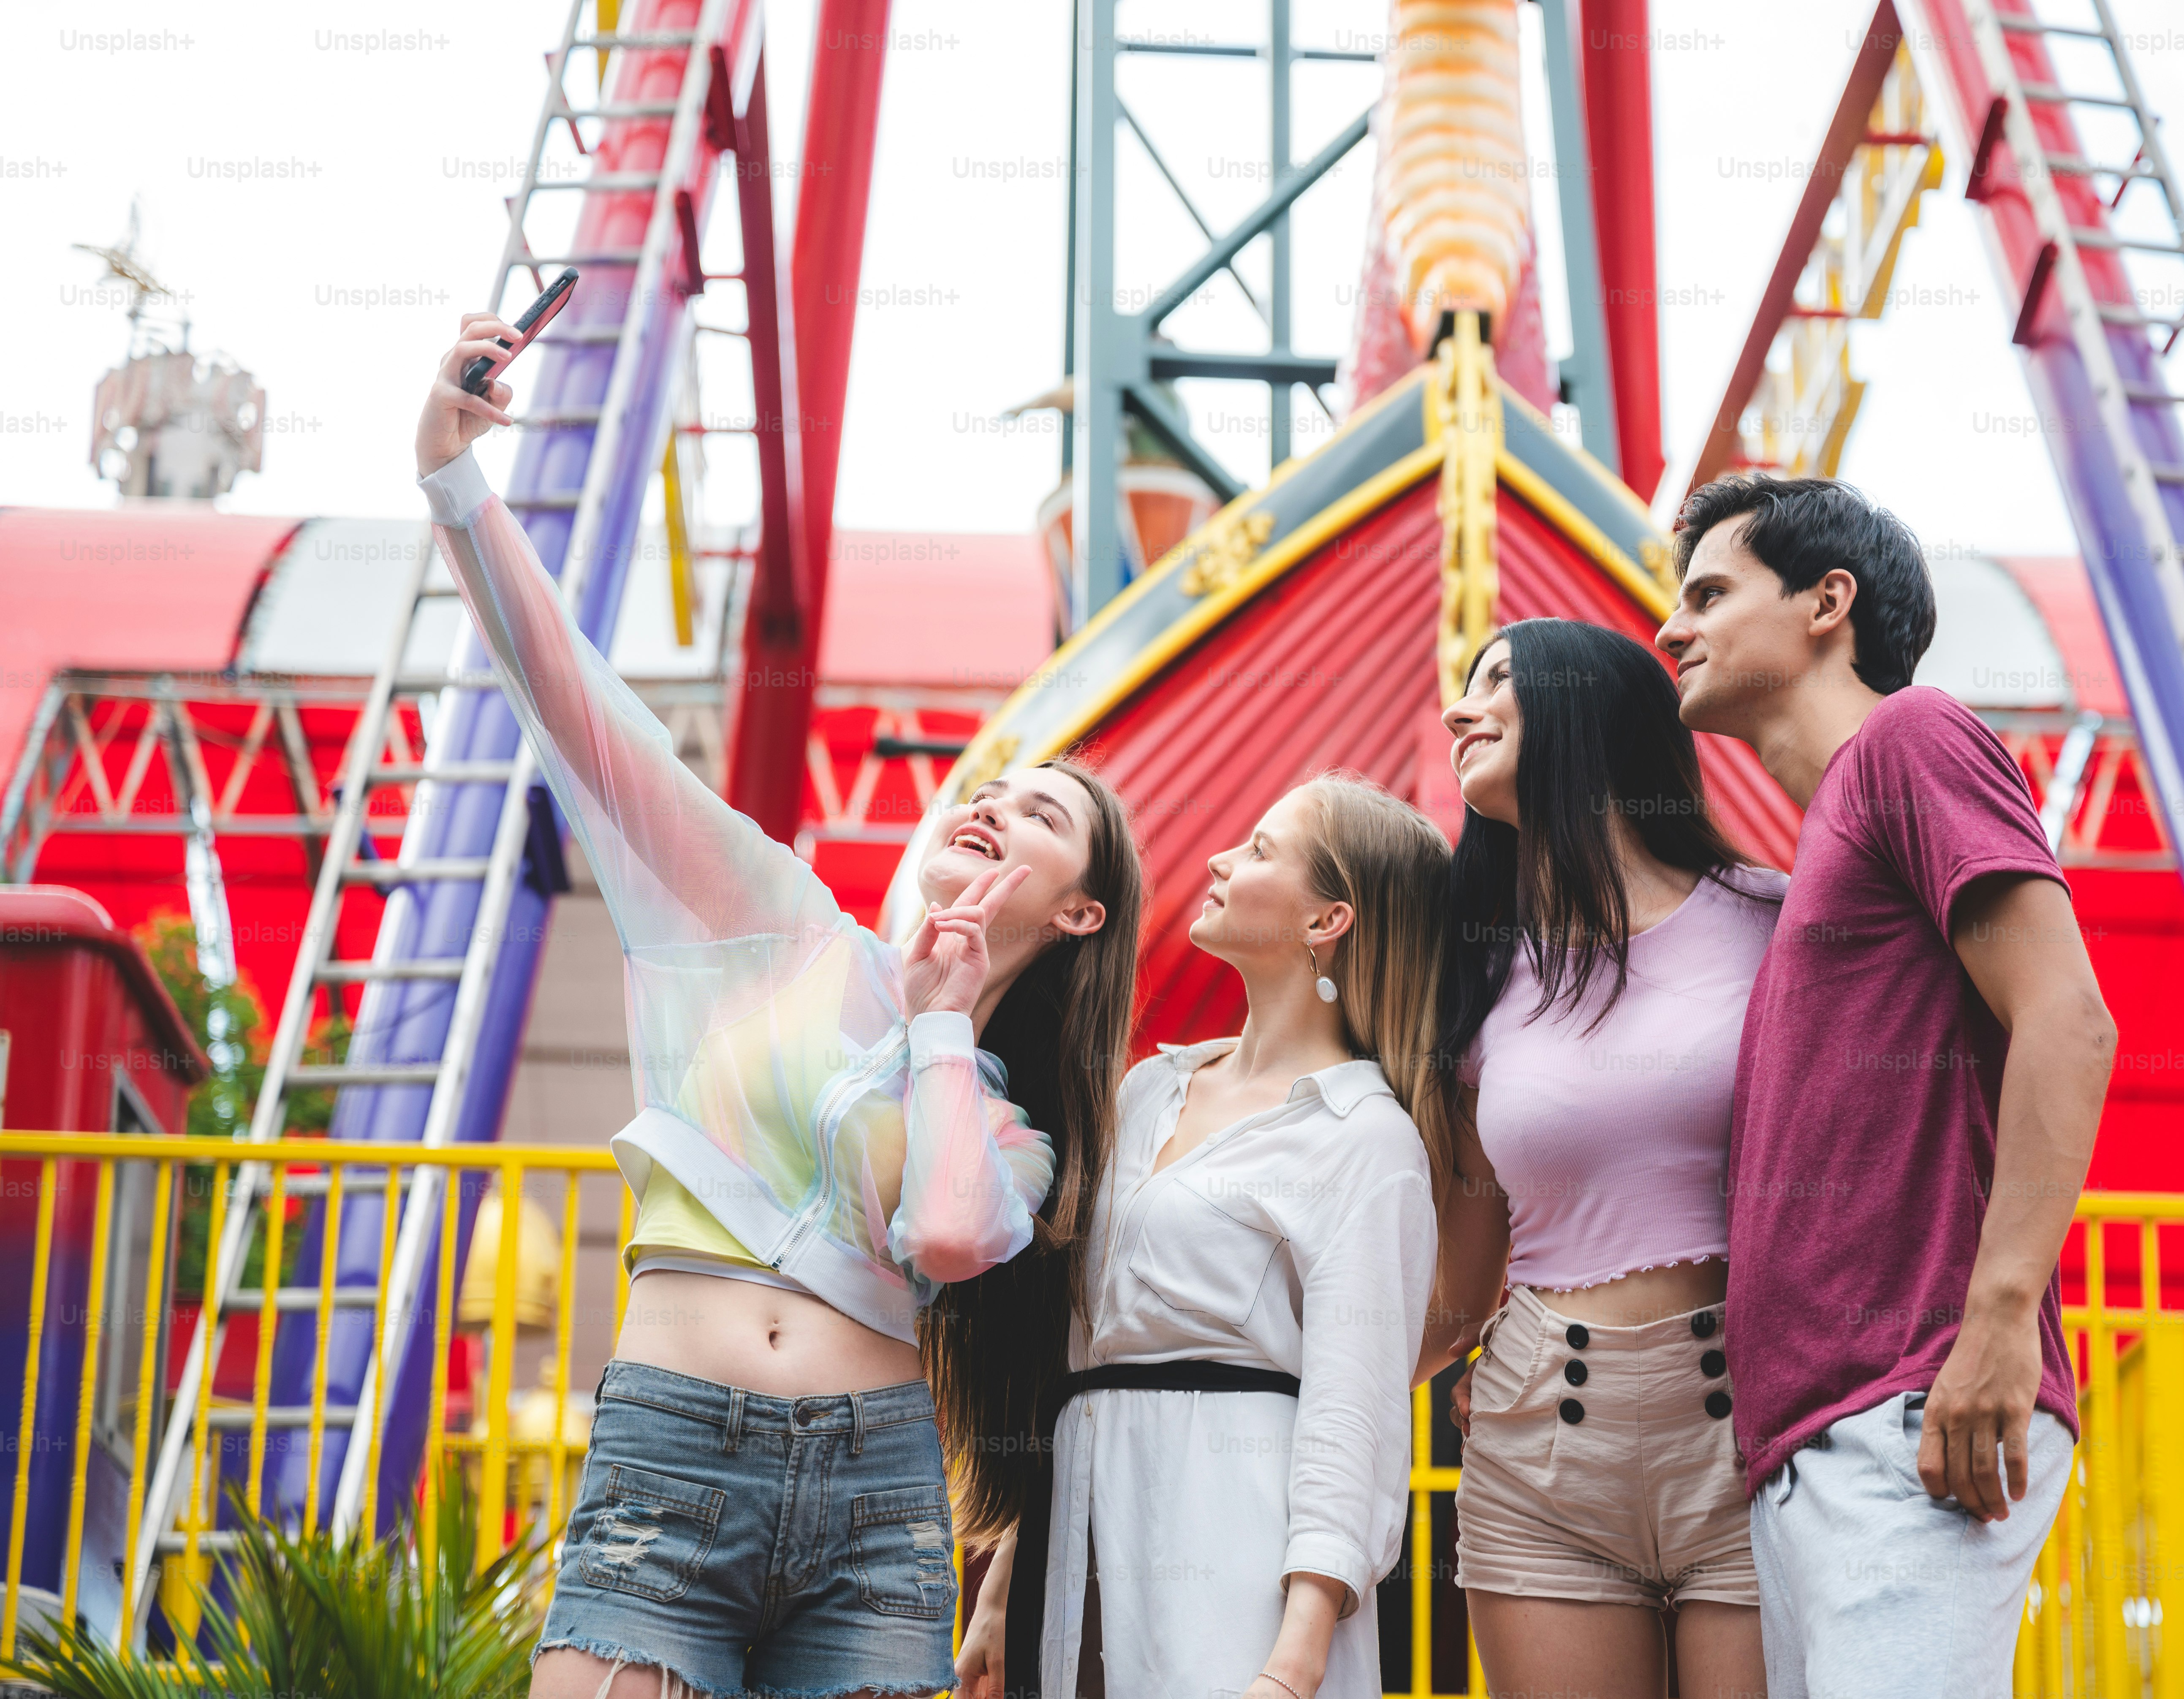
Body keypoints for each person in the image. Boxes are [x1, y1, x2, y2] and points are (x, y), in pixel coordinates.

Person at [416, 314, 1145, 1699]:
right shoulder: (780, 927)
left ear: (1077, 913)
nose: (990, 802)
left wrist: (939, 1026)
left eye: (1040, 813)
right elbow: (591, 722)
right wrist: (454, 481)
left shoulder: (1013, 1135)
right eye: (987, 788)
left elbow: (943, 1229)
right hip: (670, 1456)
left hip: (872, 1503)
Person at [1655, 475, 2115, 1697]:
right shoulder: (1822, 846)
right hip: (1815, 1444)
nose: (1671, 628)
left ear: (1828, 602)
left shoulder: (1911, 739)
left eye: (1709, 592)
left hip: (1910, 1410)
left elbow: (2069, 1019)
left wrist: (2001, 1317)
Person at [952, 775, 1451, 1699]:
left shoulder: (1364, 1135)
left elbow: (1357, 1407)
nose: (1222, 860)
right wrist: (1002, 1586)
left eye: (1261, 850)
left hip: (1238, 1553)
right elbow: (1080, 1357)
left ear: (1326, 921)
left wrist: (1296, 1662)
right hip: (1080, 1539)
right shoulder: (1147, 1089)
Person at [1417, 618, 1782, 1699]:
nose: (1458, 709)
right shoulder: (1481, 971)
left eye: (1497, 680)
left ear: (1586, 703)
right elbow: (1461, 1282)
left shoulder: (1773, 920)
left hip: (1753, 1425)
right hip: (1542, 1435)